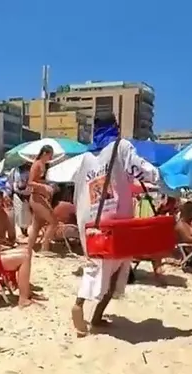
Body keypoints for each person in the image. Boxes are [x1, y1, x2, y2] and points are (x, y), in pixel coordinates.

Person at [71, 112, 161, 337]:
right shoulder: (121, 147)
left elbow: (78, 192)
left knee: (95, 266)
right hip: (118, 223)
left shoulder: (86, 157)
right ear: (115, 127)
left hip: (91, 222)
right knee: (117, 270)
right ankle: (89, 311)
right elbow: (139, 169)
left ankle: (84, 308)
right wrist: (162, 176)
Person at [26, 146, 57, 251]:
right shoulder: (37, 164)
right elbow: (30, 182)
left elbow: (39, 181)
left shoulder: (43, 165)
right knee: (53, 222)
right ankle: (45, 246)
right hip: (36, 197)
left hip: (40, 197)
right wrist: (44, 186)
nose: (51, 158)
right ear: (44, 153)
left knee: (36, 226)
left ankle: (29, 248)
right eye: (50, 155)